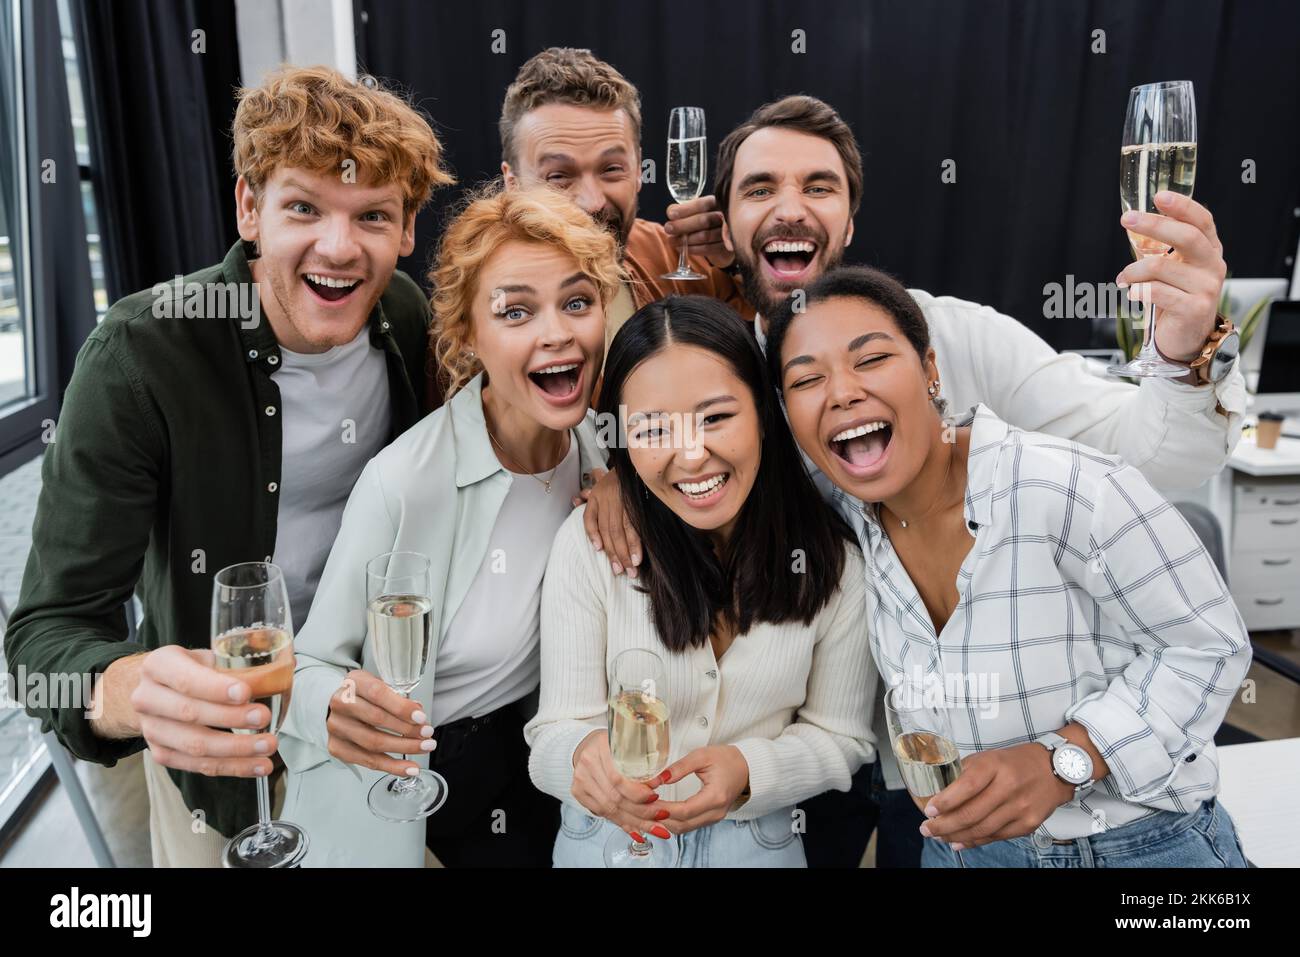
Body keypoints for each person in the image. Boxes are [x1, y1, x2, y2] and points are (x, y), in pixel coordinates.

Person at [581, 93, 1247, 868]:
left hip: (963, 772)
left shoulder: (953, 336)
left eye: (819, 187)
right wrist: (622, 473)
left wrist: (1186, 345)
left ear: (850, 224)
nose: (791, 208)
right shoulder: (719, 374)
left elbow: (1151, 458)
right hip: (797, 759)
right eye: (761, 189)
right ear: (724, 231)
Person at [3, 66, 452, 866]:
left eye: (372, 215)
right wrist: (126, 690)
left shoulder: (406, 315)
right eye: (303, 207)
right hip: (230, 769)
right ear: (249, 207)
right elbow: (47, 638)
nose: (339, 247)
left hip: (372, 727)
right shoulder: (142, 351)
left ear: (408, 227)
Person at [767, 265, 1251, 867]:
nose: (841, 391)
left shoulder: (1071, 486)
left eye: (870, 360)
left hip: (1139, 848)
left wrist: (1067, 759)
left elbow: (1208, 645)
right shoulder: (839, 521)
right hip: (962, 851)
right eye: (807, 379)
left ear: (930, 369)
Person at [276, 184, 624, 867]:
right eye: (517, 310)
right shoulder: (405, 481)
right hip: (406, 778)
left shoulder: (595, 449)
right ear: (467, 333)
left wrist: (623, 487)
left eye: (577, 302)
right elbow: (306, 667)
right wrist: (341, 706)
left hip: (529, 756)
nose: (557, 331)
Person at [525, 295, 876, 867]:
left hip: (759, 844)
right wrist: (582, 756)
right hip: (609, 843)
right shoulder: (590, 547)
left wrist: (748, 771)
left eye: (716, 418)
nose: (691, 456)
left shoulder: (833, 563)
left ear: (765, 412)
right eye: (654, 429)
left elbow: (843, 737)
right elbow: (552, 736)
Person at [499, 47, 753, 360]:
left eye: (611, 169)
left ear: (638, 171)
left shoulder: (668, 255)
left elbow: (768, 327)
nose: (593, 203)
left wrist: (738, 261)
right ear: (512, 184)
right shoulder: (483, 300)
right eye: (559, 176)